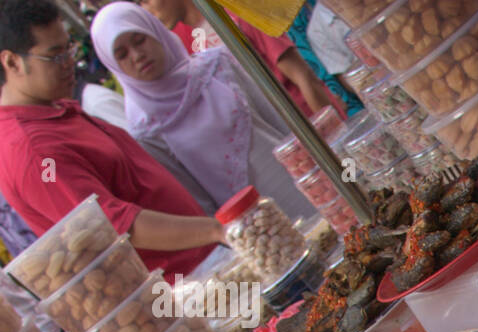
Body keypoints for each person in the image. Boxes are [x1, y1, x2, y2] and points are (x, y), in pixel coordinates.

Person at [0, 0, 221, 276]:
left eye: (68, 48)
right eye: (54, 55)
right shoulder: (35, 151)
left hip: (203, 261)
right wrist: (216, 230)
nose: (70, 62)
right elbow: (114, 224)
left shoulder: (54, 110)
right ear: (12, 62)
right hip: (182, 283)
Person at [91, 3, 315, 222]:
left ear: (154, 31)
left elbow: (280, 119)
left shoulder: (218, 64)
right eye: (122, 54)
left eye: (140, 40)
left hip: (302, 181)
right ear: (114, 66)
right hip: (256, 224)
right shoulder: (146, 131)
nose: (137, 55)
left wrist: (315, 166)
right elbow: (198, 201)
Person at [139, 0, 342, 119]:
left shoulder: (236, 14)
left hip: (309, 122)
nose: (145, 10)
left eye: (146, 0)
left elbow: (303, 76)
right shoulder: (187, 44)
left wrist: (331, 138)